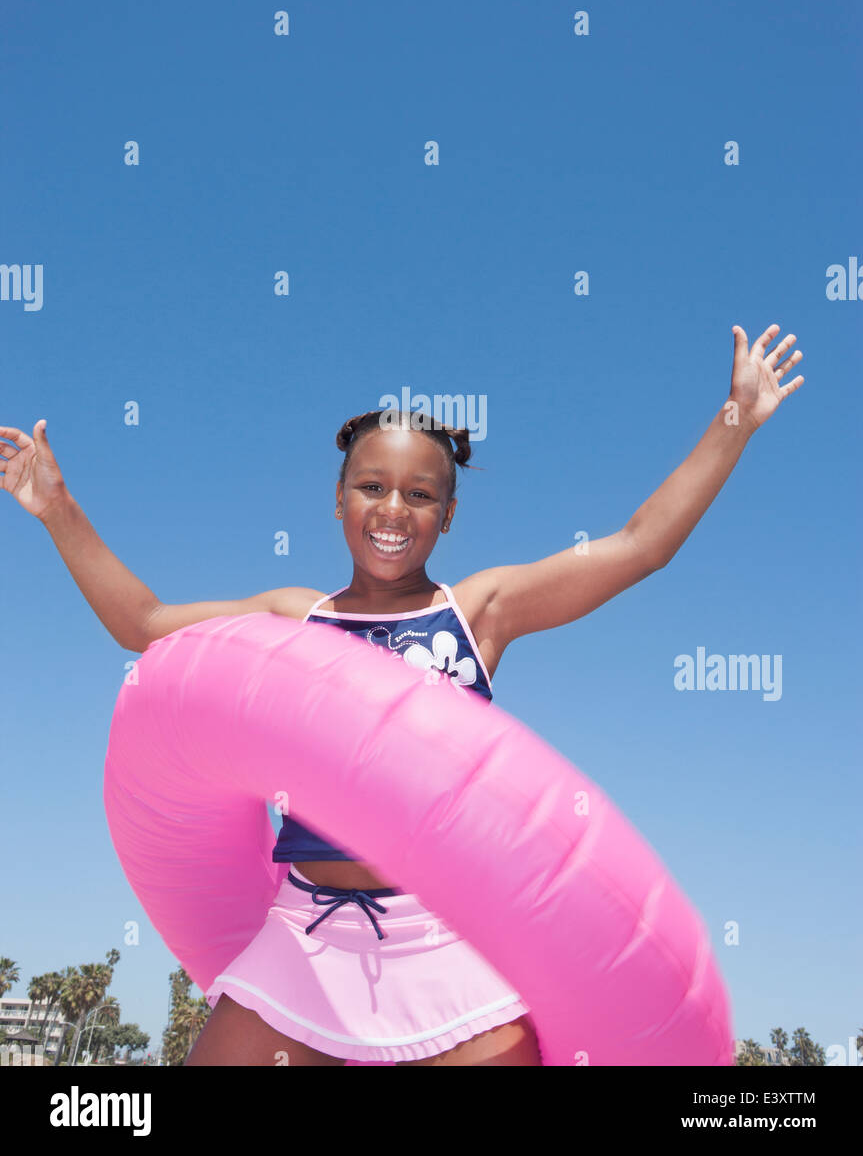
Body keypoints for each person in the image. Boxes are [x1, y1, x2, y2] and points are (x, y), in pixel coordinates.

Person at [0, 323, 804, 1066]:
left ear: (448, 515)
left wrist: (736, 418)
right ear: (339, 500)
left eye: (420, 495)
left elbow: (640, 545)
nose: (393, 510)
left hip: (443, 936)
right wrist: (57, 509)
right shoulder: (293, 618)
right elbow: (141, 623)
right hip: (305, 935)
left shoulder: (478, 611)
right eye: (371, 487)